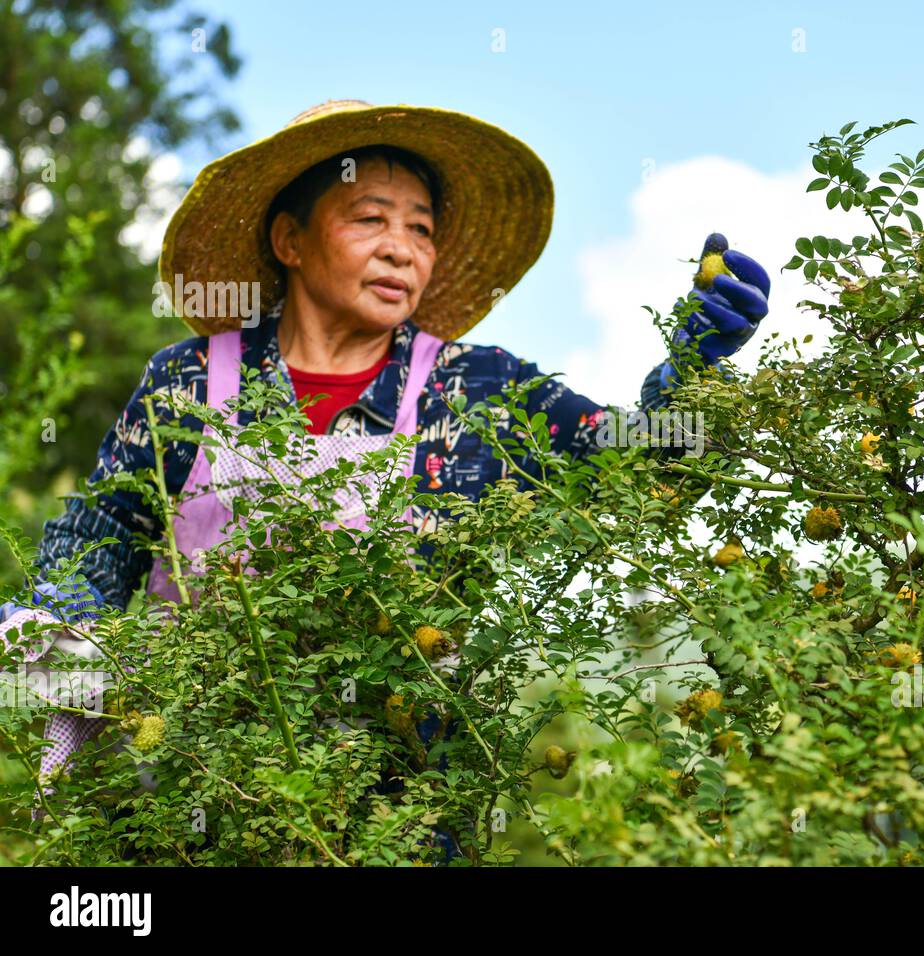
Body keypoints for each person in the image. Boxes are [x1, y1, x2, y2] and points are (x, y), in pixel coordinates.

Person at [0, 99, 771, 853]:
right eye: (370, 218)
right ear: (290, 239)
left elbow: (632, 471)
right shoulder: (191, 381)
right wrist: (70, 624)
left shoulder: (478, 391)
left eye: (422, 228)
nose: (402, 247)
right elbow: (94, 531)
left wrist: (690, 377)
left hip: (397, 813)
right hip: (192, 794)